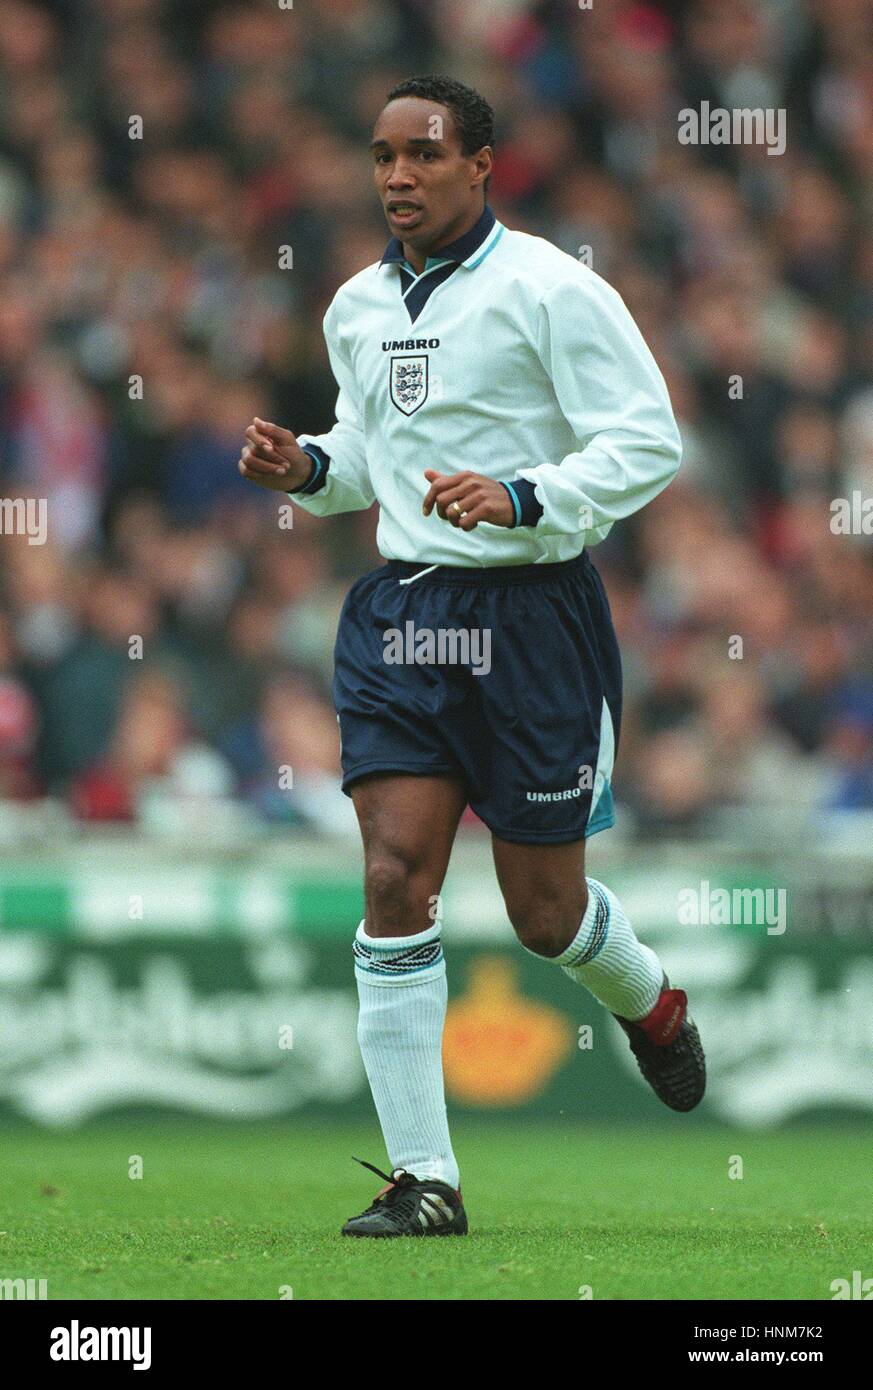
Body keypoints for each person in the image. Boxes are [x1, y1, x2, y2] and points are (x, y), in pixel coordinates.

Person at [238, 75, 705, 1239]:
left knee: (544, 915)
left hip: (534, 618)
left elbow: (649, 440)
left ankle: (651, 1004)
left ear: (483, 161)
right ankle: (424, 1178)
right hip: (403, 615)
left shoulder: (552, 288)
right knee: (397, 873)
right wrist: (309, 468)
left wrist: (525, 493)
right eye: (384, 157)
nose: (398, 176)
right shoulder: (353, 305)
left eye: (425, 155)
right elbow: (369, 460)